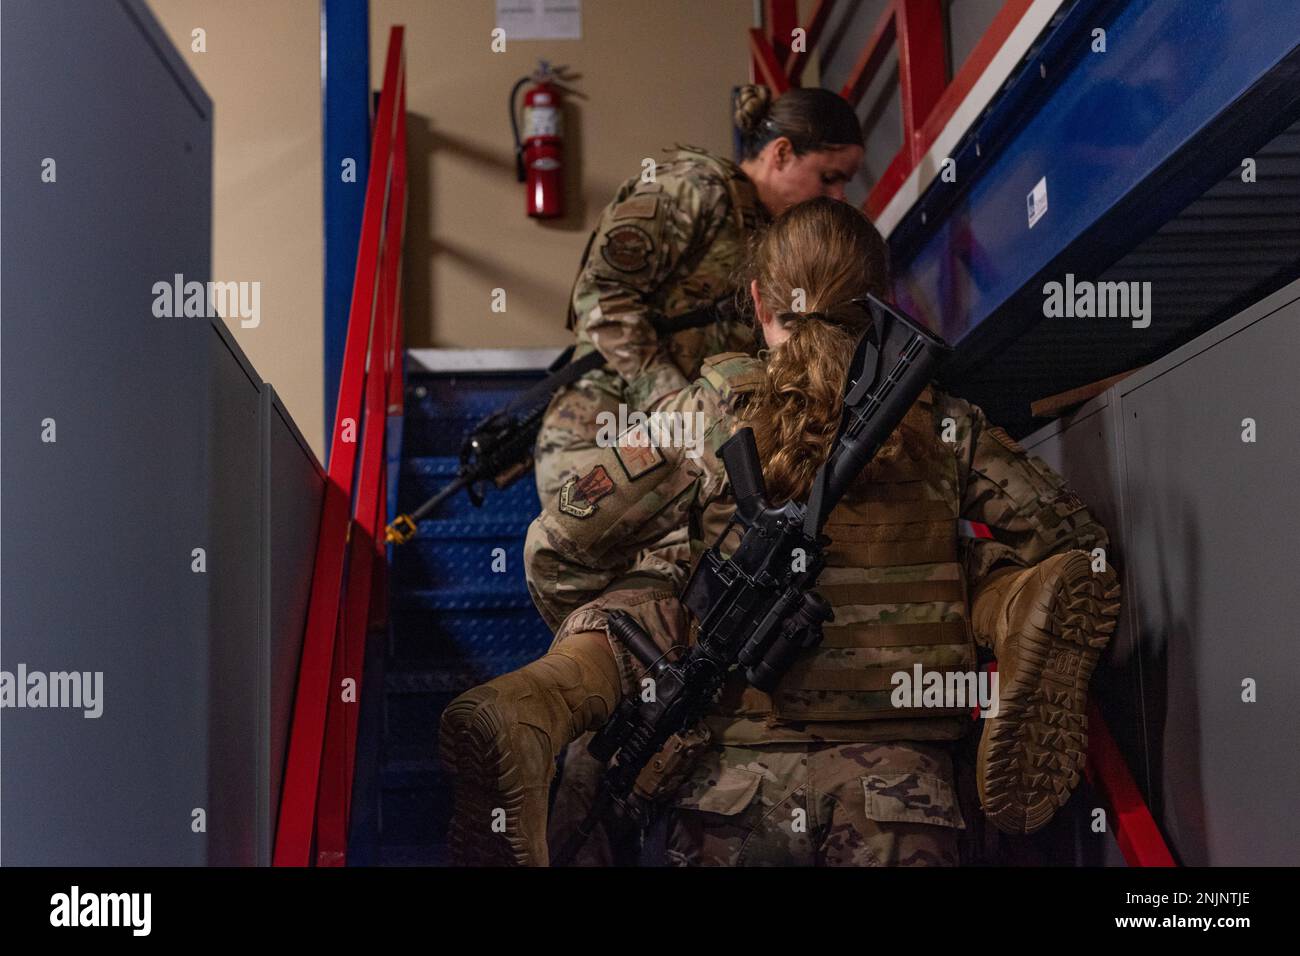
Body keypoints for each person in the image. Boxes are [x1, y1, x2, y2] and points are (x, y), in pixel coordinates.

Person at [442, 198, 1121, 866]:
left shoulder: (709, 406)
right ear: (880, 302)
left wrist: (648, 597)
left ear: (760, 302)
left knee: (649, 588)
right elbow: (1078, 545)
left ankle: (549, 693)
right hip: (902, 793)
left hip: (729, 797)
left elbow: (559, 540)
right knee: (989, 565)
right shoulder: (940, 419)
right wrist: (979, 567)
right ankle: (1011, 607)